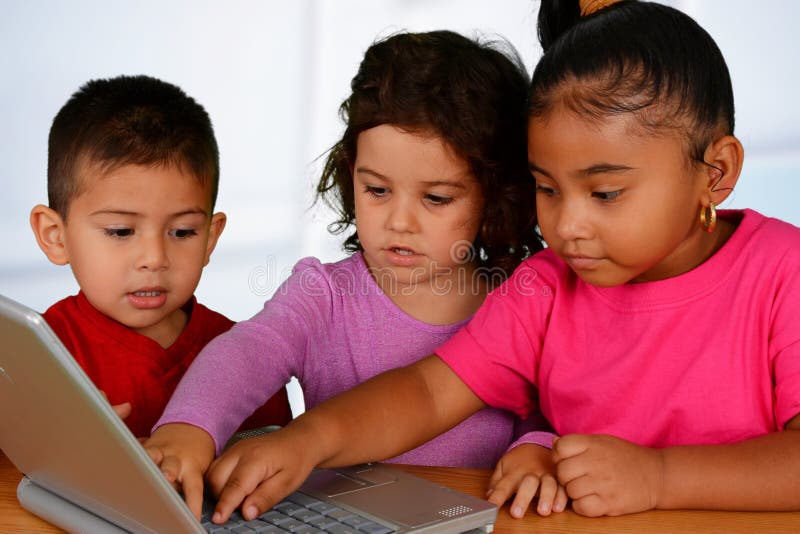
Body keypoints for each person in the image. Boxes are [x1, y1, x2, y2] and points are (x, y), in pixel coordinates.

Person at [162, 0, 800, 525]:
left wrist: (656, 477)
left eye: (605, 192)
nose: (566, 226)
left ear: (716, 172)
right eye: (548, 189)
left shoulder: (782, 273)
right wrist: (307, 441)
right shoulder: (543, 287)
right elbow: (429, 390)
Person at [144, 30, 546, 519]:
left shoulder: (520, 305)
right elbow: (249, 349)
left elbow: (548, 410)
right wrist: (190, 425)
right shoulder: (324, 294)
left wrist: (538, 447)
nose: (399, 221)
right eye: (377, 190)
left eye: (436, 198)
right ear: (350, 171)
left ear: (496, 194)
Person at [29, 75, 292, 438]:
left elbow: (279, 473)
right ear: (54, 236)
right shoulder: (36, 357)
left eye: (182, 232)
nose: (154, 258)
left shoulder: (246, 356)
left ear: (210, 240)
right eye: (121, 231)